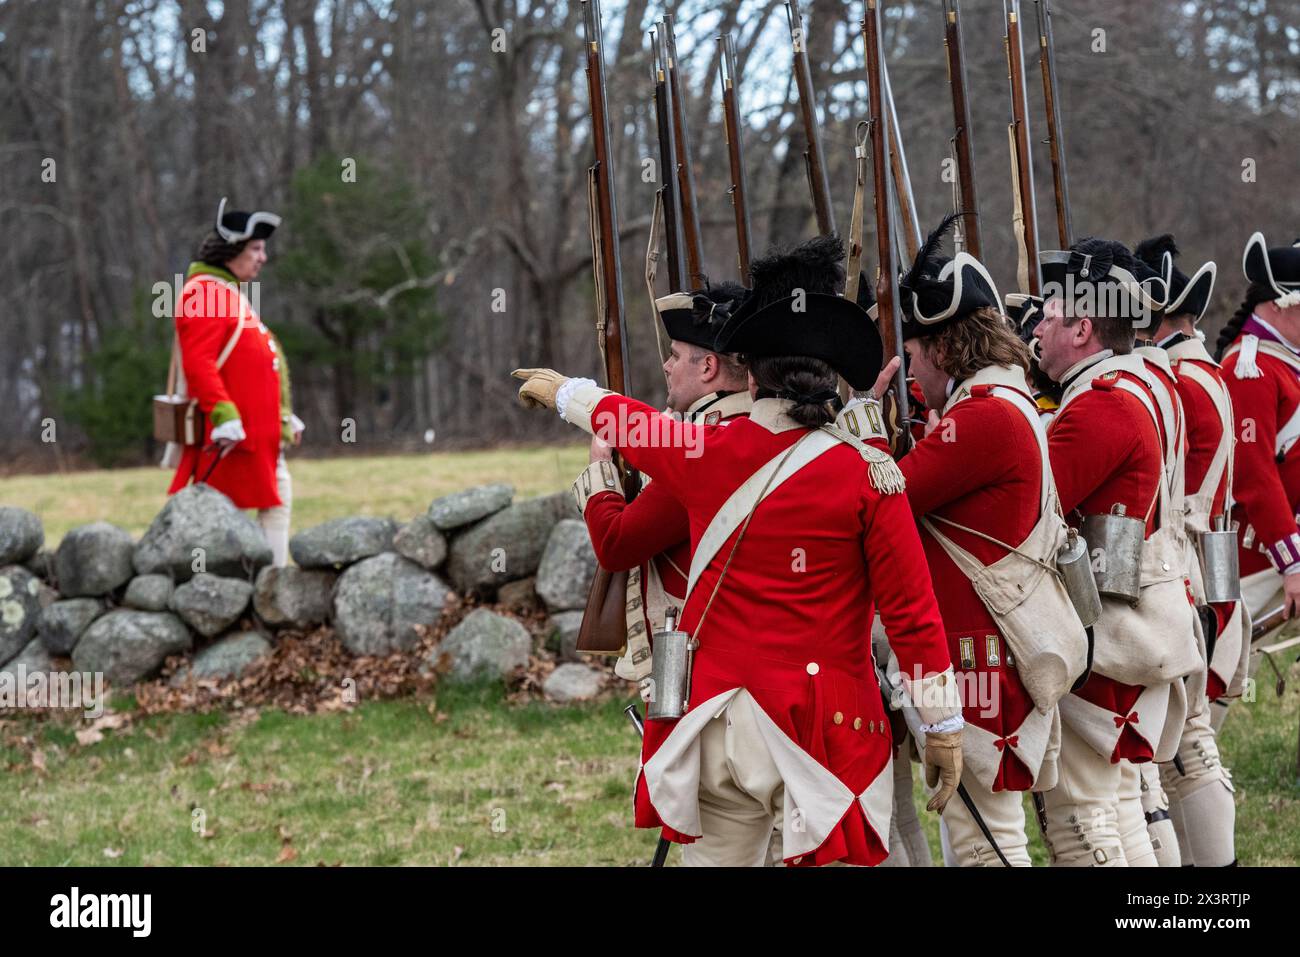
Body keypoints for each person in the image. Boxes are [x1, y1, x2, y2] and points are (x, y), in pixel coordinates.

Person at [511, 242, 963, 866]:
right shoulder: (871, 474)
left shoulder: (703, 452)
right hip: (820, 731)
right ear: (828, 373)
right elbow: (912, 615)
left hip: (716, 721)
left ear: (750, 374)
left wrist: (569, 394)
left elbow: (633, 423)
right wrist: (941, 725)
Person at [879, 216, 1077, 866]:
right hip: (984, 654)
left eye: (913, 353)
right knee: (978, 835)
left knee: (984, 846)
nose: (910, 367)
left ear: (941, 346)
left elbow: (886, 498)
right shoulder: (1001, 400)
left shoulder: (985, 415)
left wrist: (867, 426)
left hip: (979, 661)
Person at [1033, 237, 1200, 866]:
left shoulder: (1100, 407)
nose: (1038, 326)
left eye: (1050, 313)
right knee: (1122, 804)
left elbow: (1030, 512)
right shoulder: (1131, 388)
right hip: (1128, 612)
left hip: (1102, 629)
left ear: (1081, 327)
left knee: (1082, 818)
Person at [575, 282, 752, 684]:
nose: (667, 366)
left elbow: (617, 544)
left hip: (700, 660)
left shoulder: (703, 449)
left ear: (708, 368)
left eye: (675, 356)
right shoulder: (737, 431)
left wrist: (601, 467)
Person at [1135, 233, 1244, 867]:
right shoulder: (1208, 372)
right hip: (1211, 564)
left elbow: (1184, 506)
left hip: (1185, 566)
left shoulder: (1173, 378)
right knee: (1186, 745)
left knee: (1173, 752)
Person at [168, 198, 303, 565]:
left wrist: (283, 415)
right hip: (231, 439)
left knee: (272, 505)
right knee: (227, 523)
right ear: (231, 251)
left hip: (255, 437)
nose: (263, 257)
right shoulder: (205, 293)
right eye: (255, 248)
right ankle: (259, 587)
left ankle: (269, 583)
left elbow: (258, 362)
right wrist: (224, 416)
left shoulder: (226, 293)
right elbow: (199, 365)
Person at [1215, 232, 1300, 626]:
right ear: (1281, 305)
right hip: (1258, 554)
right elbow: (1254, 477)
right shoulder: (1250, 369)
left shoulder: (1281, 363)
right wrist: (1292, 563)